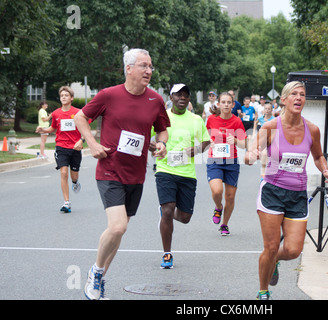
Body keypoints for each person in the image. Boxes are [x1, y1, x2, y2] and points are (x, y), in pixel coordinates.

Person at [74, 48, 170, 300]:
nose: (149, 70)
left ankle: (100, 278)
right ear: (128, 69)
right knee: (117, 226)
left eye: (150, 66)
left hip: (136, 175)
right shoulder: (108, 95)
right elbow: (80, 117)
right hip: (109, 170)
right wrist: (91, 144)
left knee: (121, 229)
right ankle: (96, 271)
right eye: (143, 66)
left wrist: (161, 144)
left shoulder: (155, 100)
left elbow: (162, 131)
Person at [245, 81, 328, 300]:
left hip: (297, 194)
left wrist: (325, 170)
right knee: (272, 245)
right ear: (284, 100)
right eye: (293, 94)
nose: (298, 98)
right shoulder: (270, 128)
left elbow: (317, 156)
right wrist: (251, 156)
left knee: (294, 250)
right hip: (272, 191)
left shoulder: (312, 129)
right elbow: (250, 153)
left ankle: (274, 260)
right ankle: (263, 291)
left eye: (302, 95)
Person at [153, 83, 210, 269]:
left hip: (187, 173)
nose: (182, 98)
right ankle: (167, 253)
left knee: (185, 217)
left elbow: (206, 142)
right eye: (178, 95)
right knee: (169, 209)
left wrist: (196, 149)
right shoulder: (161, 117)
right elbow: (147, 139)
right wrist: (155, 149)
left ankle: (165, 215)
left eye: (186, 95)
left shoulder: (195, 119)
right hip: (165, 170)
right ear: (171, 98)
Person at [35, 86, 84, 214]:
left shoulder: (78, 113)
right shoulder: (56, 113)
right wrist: (43, 130)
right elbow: (53, 128)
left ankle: (75, 182)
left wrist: (82, 140)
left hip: (75, 148)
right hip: (61, 147)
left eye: (66, 95)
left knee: (74, 175)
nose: (63, 97)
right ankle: (66, 202)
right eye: (62, 95)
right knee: (63, 173)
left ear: (71, 98)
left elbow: (86, 129)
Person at [206, 92, 247, 236]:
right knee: (217, 191)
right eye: (223, 102)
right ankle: (218, 207)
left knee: (230, 196)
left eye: (228, 102)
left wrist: (235, 141)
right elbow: (204, 137)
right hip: (215, 160)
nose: (226, 105)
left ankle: (225, 224)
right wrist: (208, 142)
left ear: (233, 104)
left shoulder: (236, 121)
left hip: (231, 162)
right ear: (218, 104)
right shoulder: (211, 119)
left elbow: (244, 144)